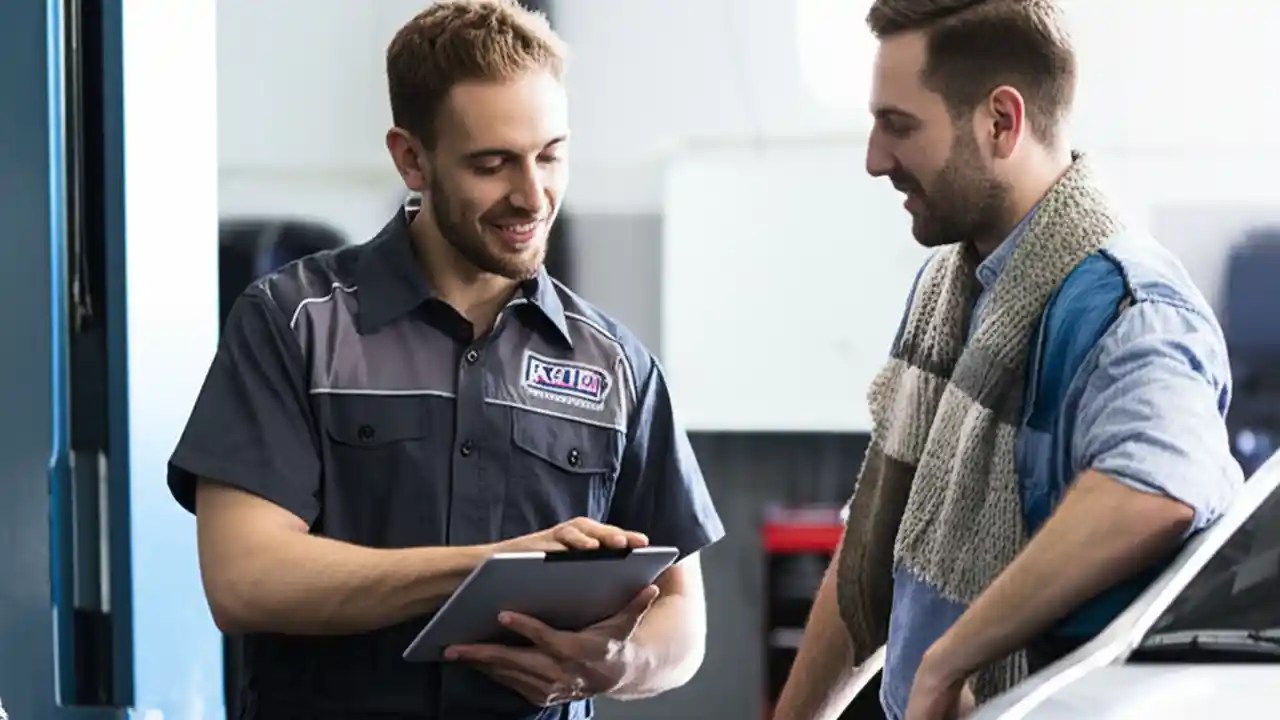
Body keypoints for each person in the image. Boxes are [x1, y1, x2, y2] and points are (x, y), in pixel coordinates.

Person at [166, 2, 724, 717]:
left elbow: (684, 621)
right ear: (411, 158)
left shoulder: (616, 366)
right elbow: (244, 578)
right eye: (492, 164)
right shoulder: (294, 325)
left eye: (551, 154)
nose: (532, 195)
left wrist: (615, 662)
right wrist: (492, 568)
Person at [772, 1, 1242, 719]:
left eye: (899, 126)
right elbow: (873, 546)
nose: (874, 159)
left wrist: (950, 659)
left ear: (1000, 122)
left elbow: (1157, 485)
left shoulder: (1124, 305)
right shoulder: (949, 290)